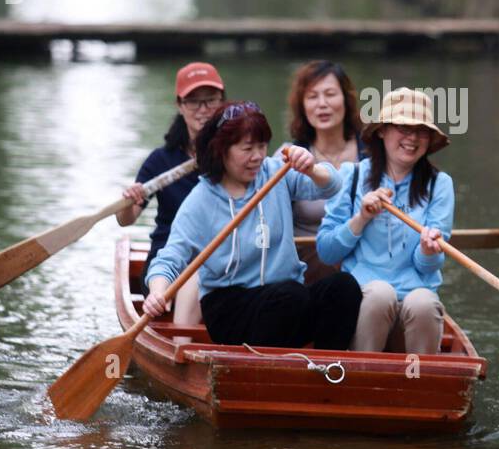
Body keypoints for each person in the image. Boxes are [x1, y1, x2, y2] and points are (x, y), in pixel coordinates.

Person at [143, 101, 361, 350]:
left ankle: (327, 371)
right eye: (247, 148)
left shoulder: (275, 172)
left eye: (262, 146)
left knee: (343, 287)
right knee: (290, 297)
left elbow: (332, 185)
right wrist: (157, 292)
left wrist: (312, 168)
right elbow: (169, 258)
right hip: (230, 306)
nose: (257, 156)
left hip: (286, 298)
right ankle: (261, 370)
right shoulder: (201, 199)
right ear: (221, 150)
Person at [316, 87, 454, 356]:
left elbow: (429, 267)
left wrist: (428, 250)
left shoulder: (440, 184)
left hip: (415, 301)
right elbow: (326, 251)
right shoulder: (351, 176)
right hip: (366, 302)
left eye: (421, 130)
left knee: (423, 302)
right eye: (403, 127)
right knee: (380, 294)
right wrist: (361, 218)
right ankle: (362, 376)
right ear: (382, 131)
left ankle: (423, 384)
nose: (412, 138)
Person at [117, 62, 225, 334]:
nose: (202, 110)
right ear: (180, 105)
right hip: (169, 259)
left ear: (221, 102)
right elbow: (127, 219)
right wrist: (128, 200)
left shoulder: (237, 154)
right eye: (193, 102)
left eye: (210, 101)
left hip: (223, 258)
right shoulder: (160, 160)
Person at [285, 60, 366, 281]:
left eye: (330, 94)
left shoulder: (372, 154)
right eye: (312, 97)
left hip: (366, 266)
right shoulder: (289, 157)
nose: (322, 104)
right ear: (302, 106)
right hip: (308, 269)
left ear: (346, 100)